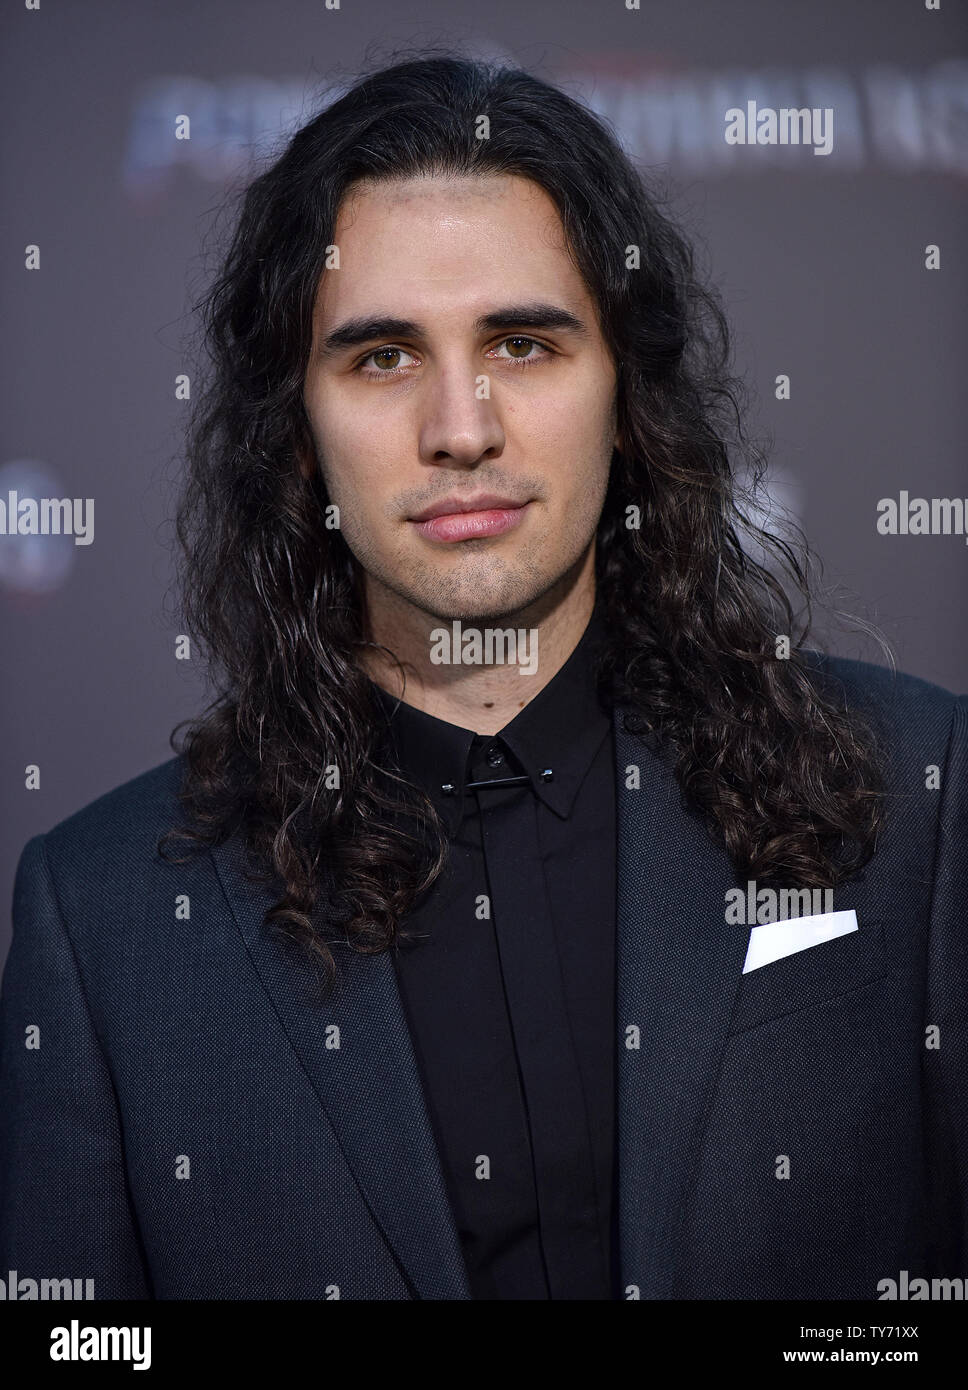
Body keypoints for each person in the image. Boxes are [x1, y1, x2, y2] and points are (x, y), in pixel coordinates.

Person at [1, 53, 965, 1302]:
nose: (461, 427)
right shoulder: (105, 921)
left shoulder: (918, 798)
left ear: (625, 396)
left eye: (522, 341)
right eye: (382, 358)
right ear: (294, 434)